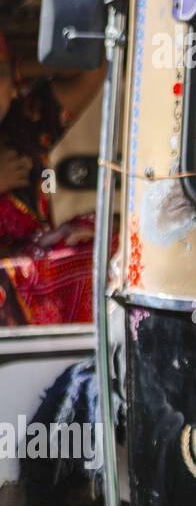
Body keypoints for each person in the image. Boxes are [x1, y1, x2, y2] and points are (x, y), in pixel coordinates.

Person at [0, 31, 104, 325]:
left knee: (104, 242)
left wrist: (19, 67)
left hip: (36, 269)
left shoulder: (25, 122)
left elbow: (92, 67)